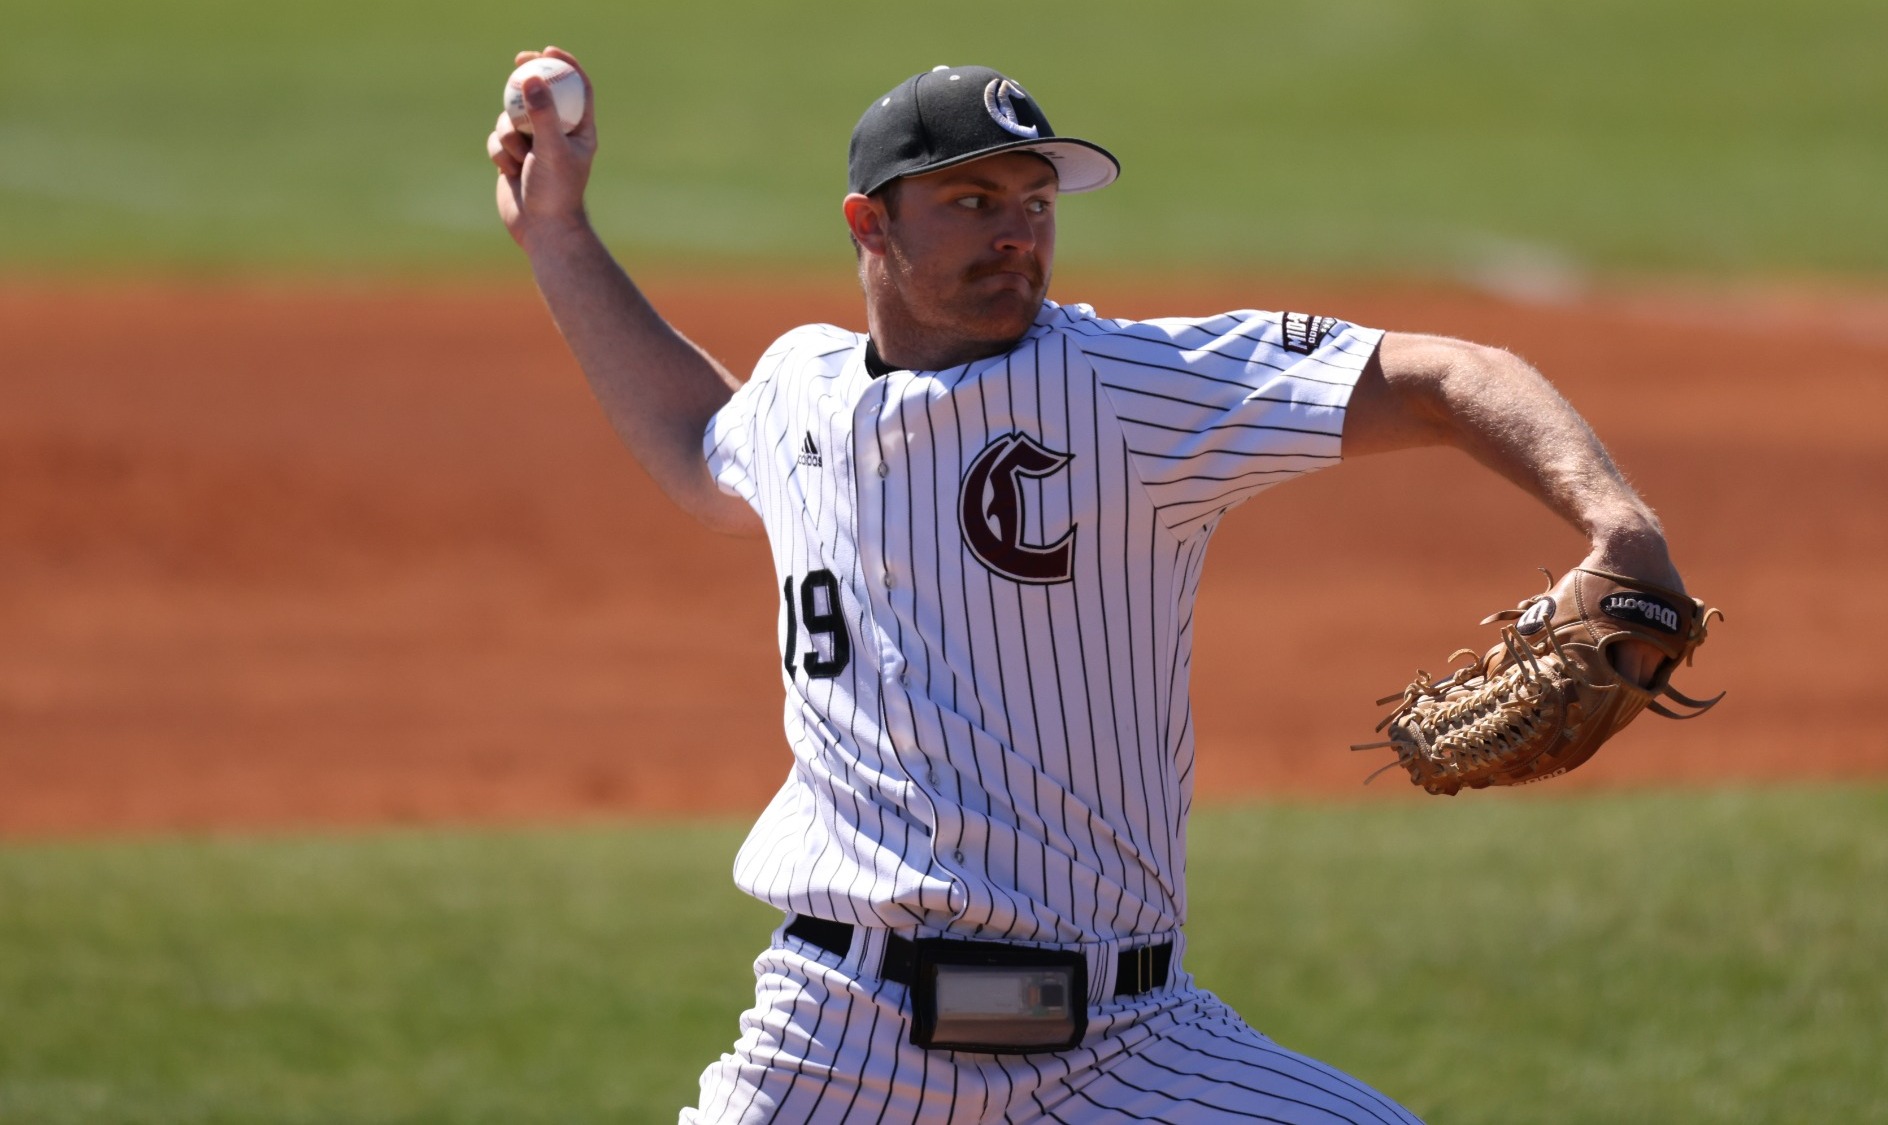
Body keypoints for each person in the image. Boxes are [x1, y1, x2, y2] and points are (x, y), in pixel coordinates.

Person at [487, 49, 1684, 1125]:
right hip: (834, 1042)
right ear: (870, 223)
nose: (1017, 231)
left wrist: (1612, 519)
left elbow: (1436, 373)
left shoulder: (1122, 386)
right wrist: (558, 233)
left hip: (1127, 1045)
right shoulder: (801, 390)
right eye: (971, 201)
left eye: (1035, 202)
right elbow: (701, 440)